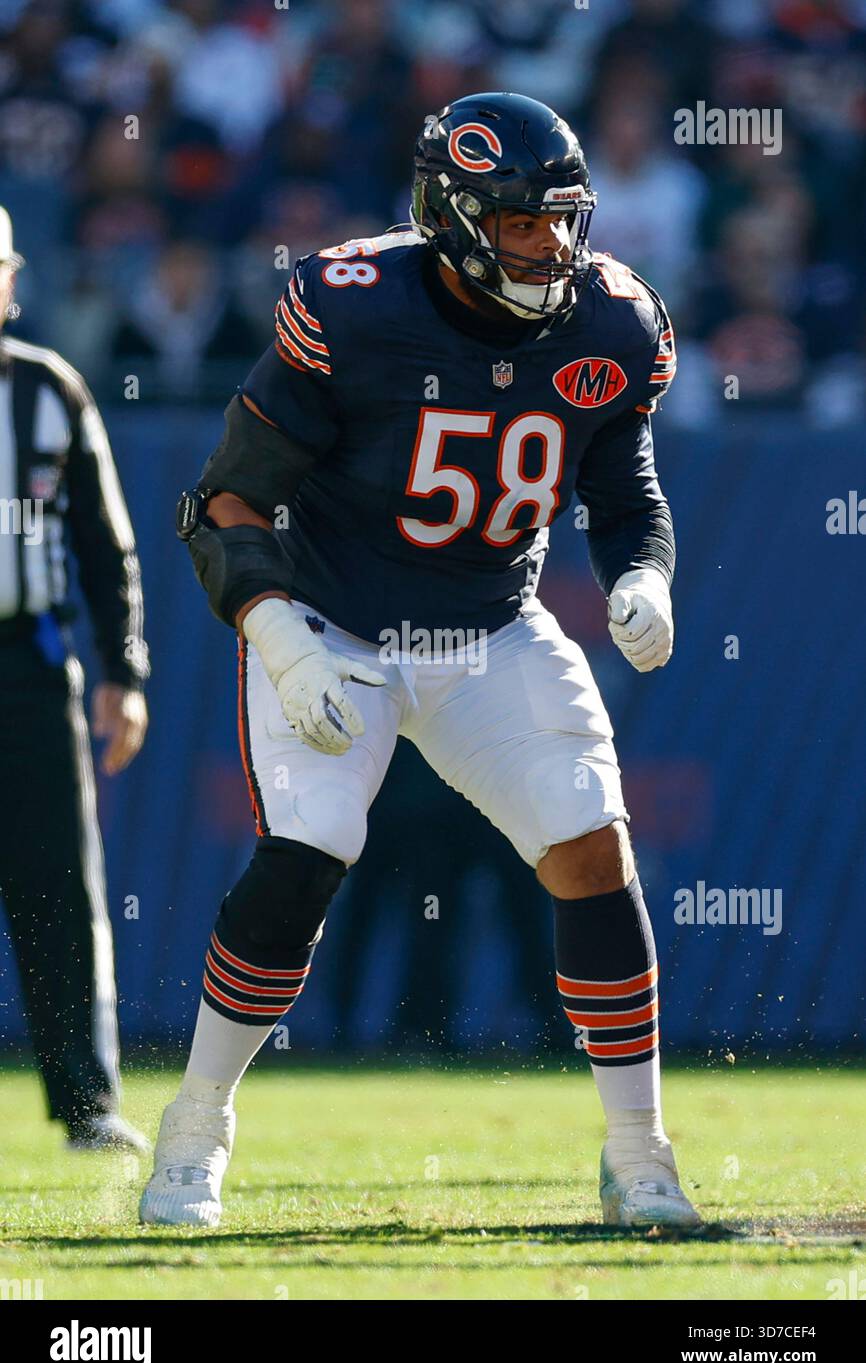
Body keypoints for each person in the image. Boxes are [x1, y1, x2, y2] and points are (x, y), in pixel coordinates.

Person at [140, 93, 700, 1228]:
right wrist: (280, 640)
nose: (550, 246)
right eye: (522, 224)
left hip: (490, 628)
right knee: (310, 848)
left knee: (590, 843)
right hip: (333, 624)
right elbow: (226, 500)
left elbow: (625, 495)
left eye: (563, 220)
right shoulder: (356, 306)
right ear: (451, 218)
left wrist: (643, 575)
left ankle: (640, 1153)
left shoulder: (614, 321)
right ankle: (196, 1126)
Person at [0, 205, 150, 1150]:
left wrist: (122, 669)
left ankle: (88, 1102)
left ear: (11, 279)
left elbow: (105, 543)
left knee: (57, 883)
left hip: (27, 661)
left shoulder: (50, 389)